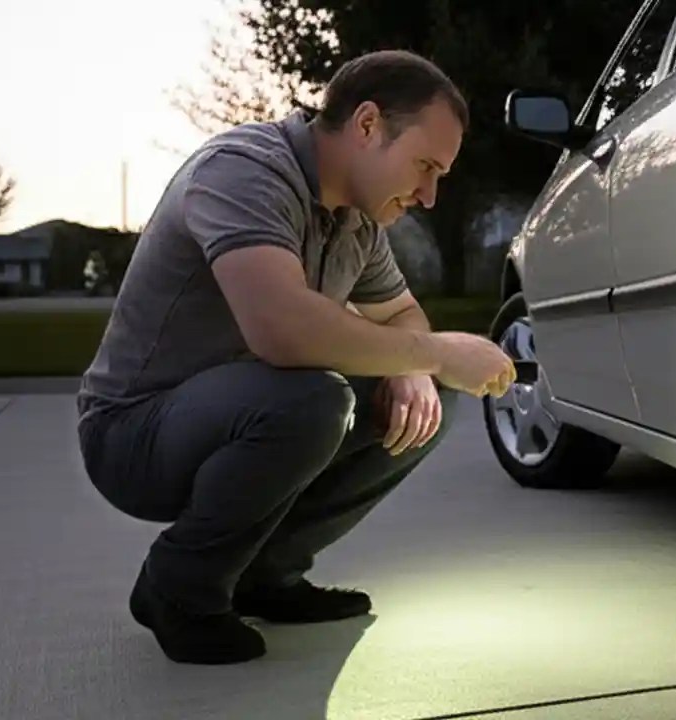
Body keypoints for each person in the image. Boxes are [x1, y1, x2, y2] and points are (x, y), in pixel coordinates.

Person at [76, 50, 515, 665]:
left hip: (240, 413)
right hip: (133, 434)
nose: (429, 194)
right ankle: (179, 589)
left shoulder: (357, 222)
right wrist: (437, 352)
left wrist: (417, 366)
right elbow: (280, 331)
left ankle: (265, 575)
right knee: (314, 400)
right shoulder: (244, 171)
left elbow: (403, 317)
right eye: (424, 166)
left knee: (422, 396)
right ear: (367, 125)